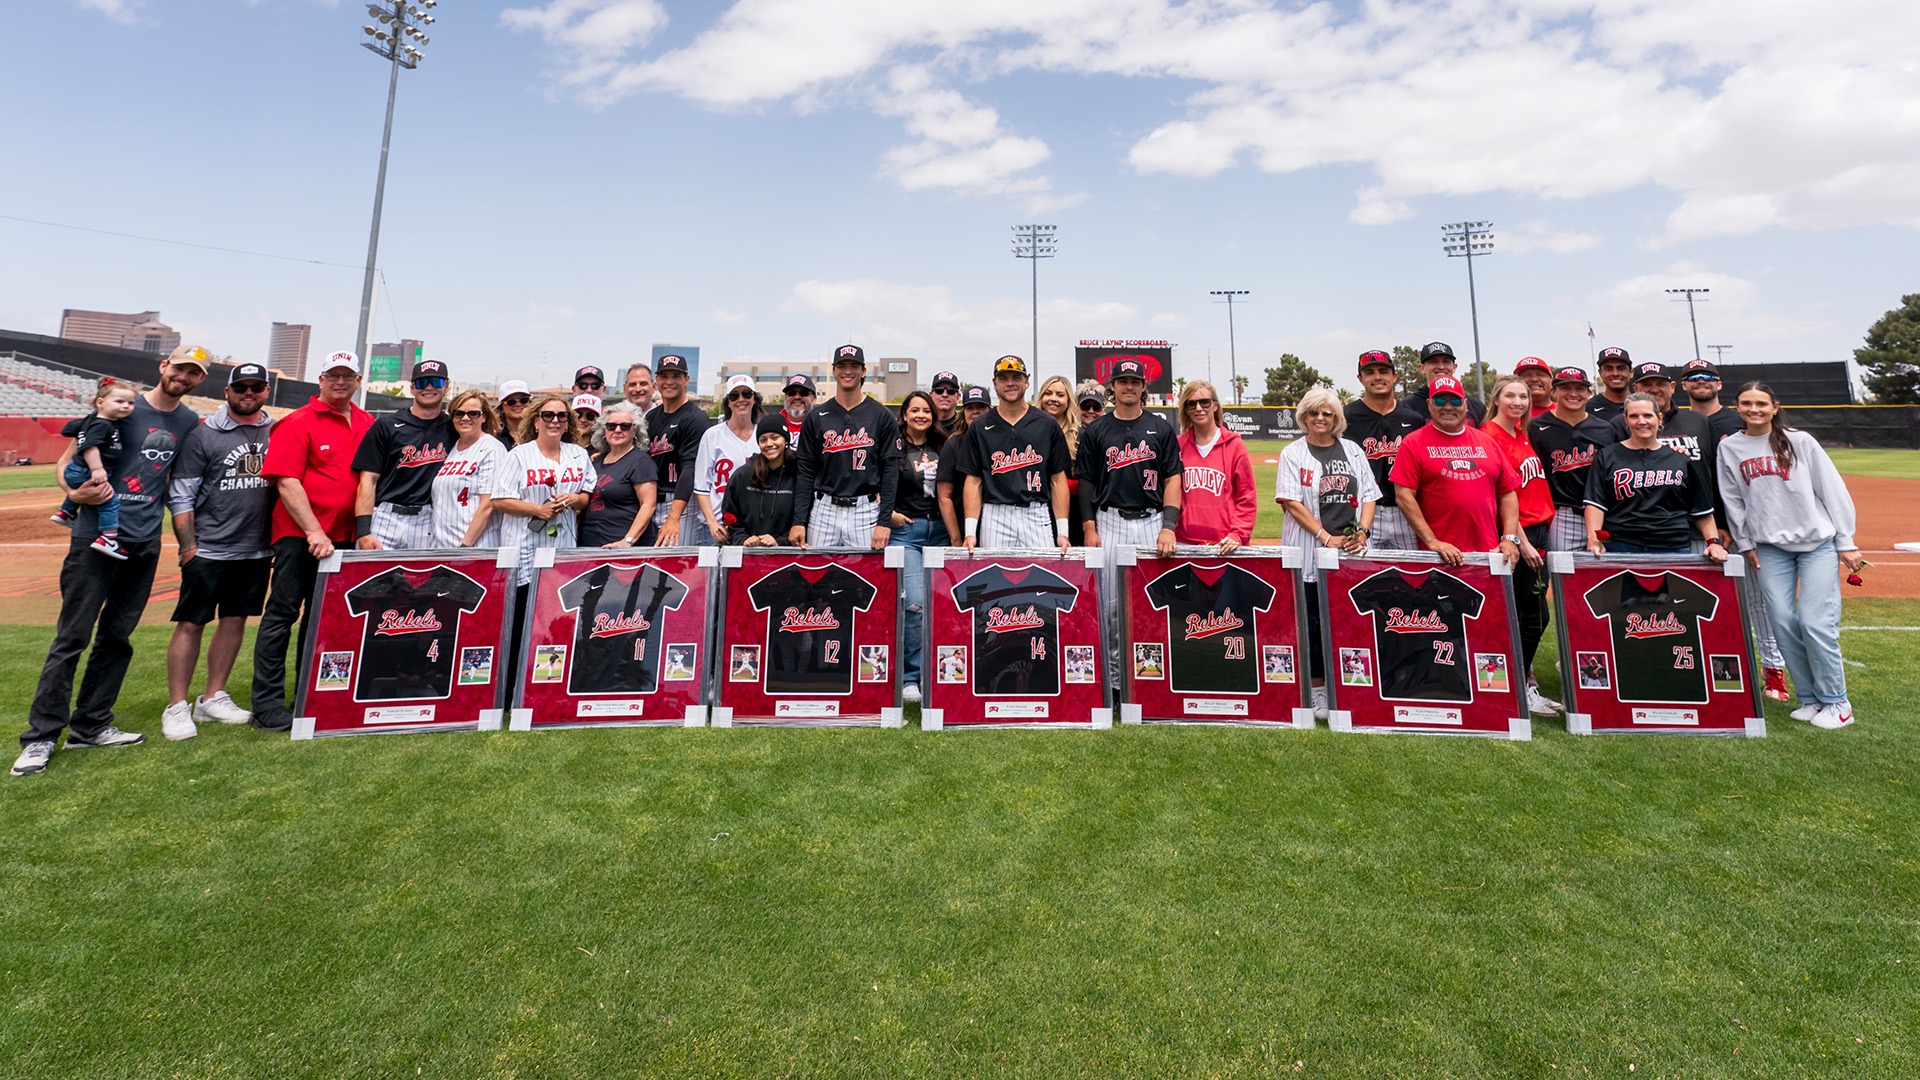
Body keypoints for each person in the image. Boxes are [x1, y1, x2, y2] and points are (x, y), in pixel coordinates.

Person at [14, 347, 207, 775]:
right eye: (179, 368)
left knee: (117, 637)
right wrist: (74, 493)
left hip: (143, 542)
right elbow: (66, 464)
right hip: (93, 540)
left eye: (193, 373)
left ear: (198, 380)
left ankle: (91, 724)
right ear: (164, 368)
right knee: (72, 638)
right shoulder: (123, 405)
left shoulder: (190, 422)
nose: (184, 377)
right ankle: (41, 736)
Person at [1717, 382, 1863, 729]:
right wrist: (1746, 543)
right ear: (1736, 407)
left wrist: (1847, 540)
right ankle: (1811, 699)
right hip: (1768, 548)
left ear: (1774, 407)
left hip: (1816, 544)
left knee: (1815, 622)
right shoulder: (1730, 447)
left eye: (1761, 403)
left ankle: (1837, 702)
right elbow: (1733, 498)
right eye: (1746, 403)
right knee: (1782, 624)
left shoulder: (1800, 441)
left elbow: (1832, 489)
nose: (1754, 409)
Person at [248, 351, 375, 734]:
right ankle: (267, 703)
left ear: (357, 380)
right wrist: (312, 531)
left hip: (346, 537)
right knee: (283, 616)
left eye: (347, 376)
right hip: (300, 537)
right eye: (333, 375)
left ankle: (310, 693)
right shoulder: (297, 422)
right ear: (320, 379)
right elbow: (287, 481)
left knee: (328, 622)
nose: (340, 382)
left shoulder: (367, 421)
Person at [160, 362, 276, 740]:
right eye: (241, 386)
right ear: (227, 391)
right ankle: (176, 705)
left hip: (255, 549)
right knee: (191, 623)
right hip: (209, 547)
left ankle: (213, 697)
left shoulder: (275, 431)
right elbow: (181, 493)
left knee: (235, 619)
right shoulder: (204, 433)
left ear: (265, 392)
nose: (248, 393)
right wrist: (189, 545)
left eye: (256, 387)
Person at [1681, 356, 1787, 698]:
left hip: (1746, 528)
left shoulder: (1739, 420)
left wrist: (1729, 526)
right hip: (1700, 527)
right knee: (1700, 603)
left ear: (1719, 383)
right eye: (1693, 376)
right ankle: (1706, 670)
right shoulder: (1677, 421)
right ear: (1683, 385)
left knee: (1760, 601)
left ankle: (1774, 671)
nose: (1701, 380)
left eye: (1708, 375)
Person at [1276, 387, 1379, 717]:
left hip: (1351, 551)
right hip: (1309, 549)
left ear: (1337, 418)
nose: (1320, 418)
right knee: (1312, 623)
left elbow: (1369, 495)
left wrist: (1362, 532)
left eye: (1327, 413)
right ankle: (1318, 689)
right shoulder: (1293, 452)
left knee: (1350, 618)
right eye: (1313, 413)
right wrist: (1324, 536)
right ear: (1303, 417)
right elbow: (1291, 502)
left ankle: (1352, 683)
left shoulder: (1351, 450)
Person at [1482, 376, 1559, 715]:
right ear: (1496, 398)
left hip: (1539, 529)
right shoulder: (1490, 436)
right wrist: (1521, 541)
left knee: (1532, 614)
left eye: (1523, 396)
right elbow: (1502, 496)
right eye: (1510, 395)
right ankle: (1518, 687)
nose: (1518, 401)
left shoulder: (1520, 433)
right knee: (1533, 615)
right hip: (1521, 535)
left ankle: (1516, 683)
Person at [1390, 375, 1522, 568]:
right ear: (1429, 404)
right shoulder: (1413, 442)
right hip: (1442, 557)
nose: (1448, 407)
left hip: (1490, 553)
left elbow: (1508, 493)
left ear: (1466, 404)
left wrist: (1509, 538)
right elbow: (1403, 496)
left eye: (1455, 400)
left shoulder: (1486, 441)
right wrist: (1432, 541)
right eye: (1441, 400)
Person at [1584, 394, 1727, 560]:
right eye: (1634, 416)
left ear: (1659, 419)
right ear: (1626, 420)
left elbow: (1701, 508)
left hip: (1673, 545)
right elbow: (1596, 503)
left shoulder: (1680, 459)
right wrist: (1593, 539)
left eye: (1647, 415)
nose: (1641, 421)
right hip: (1622, 543)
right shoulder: (1608, 456)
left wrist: (1713, 542)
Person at [958, 355, 1072, 551]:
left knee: (1042, 578)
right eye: (1004, 378)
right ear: (994, 383)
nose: (1010, 383)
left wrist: (1063, 533)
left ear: (1027, 381)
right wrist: (970, 532)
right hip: (995, 513)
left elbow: (1057, 479)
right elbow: (974, 481)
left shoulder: (1047, 424)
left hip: (1036, 512)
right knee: (995, 578)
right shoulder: (980, 427)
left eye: (1016, 377)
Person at [791, 344, 899, 550]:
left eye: (854, 365)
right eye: (842, 365)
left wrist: (884, 522)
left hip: (865, 509)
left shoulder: (882, 416)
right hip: (823, 509)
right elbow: (805, 473)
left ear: (863, 371)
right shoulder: (816, 416)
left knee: (866, 579)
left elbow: (890, 473)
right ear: (833, 371)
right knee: (817, 577)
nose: (847, 371)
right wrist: (798, 521)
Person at [492, 393, 597, 587]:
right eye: (547, 415)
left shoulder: (579, 454)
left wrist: (573, 499)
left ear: (567, 423)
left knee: (553, 608)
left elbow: (585, 497)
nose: (555, 421)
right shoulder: (518, 455)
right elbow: (499, 500)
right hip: (524, 544)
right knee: (523, 606)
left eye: (561, 416)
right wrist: (538, 510)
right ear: (536, 422)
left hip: (563, 545)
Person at [1078, 358, 1180, 555]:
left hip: (1153, 522)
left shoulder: (1161, 428)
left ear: (1143, 387)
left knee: (1150, 585)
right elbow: (1087, 481)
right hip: (1110, 521)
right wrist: (1089, 527)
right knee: (1108, 585)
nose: (1129, 387)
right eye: (1123, 381)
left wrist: (1168, 526)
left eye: (1135, 382)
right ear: (1113, 386)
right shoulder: (1096, 430)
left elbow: (1172, 478)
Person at [352, 357, 452, 550]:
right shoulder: (386, 426)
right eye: (422, 382)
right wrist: (364, 531)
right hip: (386, 517)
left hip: (428, 520)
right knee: (374, 579)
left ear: (446, 386)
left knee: (421, 580)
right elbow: (368, 480)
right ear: (412, 388)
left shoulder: (453, 428)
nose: (429, 387)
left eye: (436, 382)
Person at [889, 391, 948, 702]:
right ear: (905, 414)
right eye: (915, 410)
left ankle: (941, 673)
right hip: (907, 533)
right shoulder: (893, 445)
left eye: (926, 410)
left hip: (940, 531)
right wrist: (889, 513)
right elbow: (876, 482)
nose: (921, 415)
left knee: (945, 606)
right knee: (915, 604)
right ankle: (911, 677)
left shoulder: (944, 444)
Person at [1528, 367, 1618, 552]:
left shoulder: (1606, 429)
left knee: (1604, 577)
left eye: (1580, 388)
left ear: (1589, 393)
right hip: (1563, 515)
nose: (1573, 394)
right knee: (1562, 577)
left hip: (1604, 513)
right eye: (1565, 388)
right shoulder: (1536, 427)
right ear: (1553, 392)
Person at [1344, 349, 1426, 550]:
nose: (1377, 377)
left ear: (1394, 376)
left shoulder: (1413, 419)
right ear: (1360, 378)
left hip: (1406, 510)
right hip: (1363, 511)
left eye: (1383, 371)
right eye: (1370, 372)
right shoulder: (1346, 418)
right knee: (1364, 575)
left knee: (1411, 576)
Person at [49, 378, 140, 559]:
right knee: (110, 501)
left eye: (130, 403)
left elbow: (69, 429)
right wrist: (97, 468)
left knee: (82, 487)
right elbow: (90, 447)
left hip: (77, 470)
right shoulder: (101, 424)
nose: (126, 406)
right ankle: (108, 538)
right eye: (120, 402)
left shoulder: (93, 420)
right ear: (100, 403)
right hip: (86, 470)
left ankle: (66, 512)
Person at [1173, 380, 1256, 551]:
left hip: (1225, 545)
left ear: (1215, 406)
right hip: (1184, 542)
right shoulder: (1177, 445)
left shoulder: (1235, 445)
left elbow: (1247, 497)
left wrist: (1237, 534)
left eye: (1204, 402)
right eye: (1191, 403)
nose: (1198, 408)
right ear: (1186, 410)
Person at [645, 354, 712, 546]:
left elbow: (690, 469)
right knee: (650, 569)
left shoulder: (694, 419)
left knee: (677, 567)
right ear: (656, 381)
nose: (669, 382)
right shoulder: (651, 417)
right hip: (651, 502)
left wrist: (674, 518)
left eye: (676, 376)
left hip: (680, 502)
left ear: (686, 380)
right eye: (664, 376)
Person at [430, 389, 511, 548]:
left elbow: (488, 505)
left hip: (475, 548)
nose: (465, 418)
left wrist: (465, 547)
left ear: (484, 417)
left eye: (473, 413)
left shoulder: (492, 448)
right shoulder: (452, 448)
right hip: (444, 547)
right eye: (459, 413)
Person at [579, 399, 659, 548]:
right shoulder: (595, 462)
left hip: (622, 549)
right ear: (604, 430)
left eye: (625, 426)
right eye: (611, 426)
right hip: (589, 546)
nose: (617, 430)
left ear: (635, 430)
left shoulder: (640, 462)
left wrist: (627, 541)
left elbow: (648, 505)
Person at [695, 375, 762, 543]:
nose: (741, 399)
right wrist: (711, 522)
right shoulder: (712, 435)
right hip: (717, 527)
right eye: (734, 395)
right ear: (728, 402)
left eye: (746, 394)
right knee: (712, 570)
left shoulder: (763, 436)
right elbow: (701, 486)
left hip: (753, 528)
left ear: (754, 399)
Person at [728, 414, 802, 545]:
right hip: (748, 554)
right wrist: (743, 540)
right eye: (763, 440)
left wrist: (780, 542)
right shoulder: (742, 475)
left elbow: (803, 519)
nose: (769, 444)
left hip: (787, 556)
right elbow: (730, 517)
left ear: (785, 440)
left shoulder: (798, 475)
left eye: (775, 438)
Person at [1036, 373, 1092, 543]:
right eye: (1048, 393)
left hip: (1072, 514)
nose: (1053, 399)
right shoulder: (1029, 432)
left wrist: (1058, 485)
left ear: (1068, 400)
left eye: (1060, 395)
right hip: (1035, 513)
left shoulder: (1081, 436)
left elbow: (1087, 481)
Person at [936, 385, 991, 545]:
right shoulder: (953, 444)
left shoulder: (1000, 442)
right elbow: (944, 497)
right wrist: (956, 538)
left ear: (990, 410)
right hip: (963, 523)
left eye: (981, 407)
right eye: (970, 408)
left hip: (996, 522)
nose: (975, 412)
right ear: (963, 412)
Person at [1402, 341, 1487, 424]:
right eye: (1433, 361)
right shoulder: (1406, 407)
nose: (1441, 367)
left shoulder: (1476, 407)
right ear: (1422, 368)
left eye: (1446, 362)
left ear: (1454, 367)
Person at [1588, 346, 1634, 420]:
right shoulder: (1588, 409)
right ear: (1600, 373)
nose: (1615, 373)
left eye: (1621, 368)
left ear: (1631, 372)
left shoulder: (1645, 405)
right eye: (1609, 369)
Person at [495, 380, 532, 450]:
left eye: (524, 400)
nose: (518, 404)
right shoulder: (494, 437)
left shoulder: (540, 433)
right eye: (511, 401)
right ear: (502, 407)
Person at [780, 373, 815, 441]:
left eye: (804, 393)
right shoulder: (774, 423)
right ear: (785, 397)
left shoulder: (821, 425)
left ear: (814, 398)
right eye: (791, 393)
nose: (797, 397)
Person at [928, 370, 962, 437]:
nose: (945, 394)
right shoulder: (922, 424)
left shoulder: (964, 427)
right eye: (939, 390)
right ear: (930, 396)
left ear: (958, 397)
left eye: (951, 391)